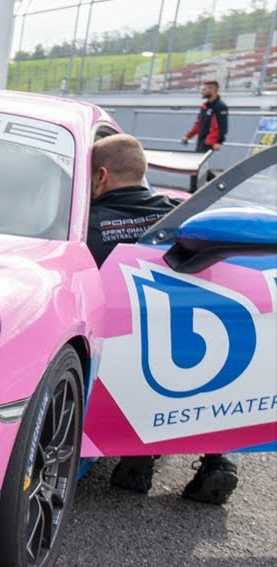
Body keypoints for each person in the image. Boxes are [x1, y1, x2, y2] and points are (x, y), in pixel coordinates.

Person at [87, 134, 239, 504]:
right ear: (143, 173)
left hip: (114, 359)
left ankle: (137, 452)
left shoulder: (85, 227)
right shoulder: (186, 223)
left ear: (101, 176)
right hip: (190, 357)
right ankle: (217, 457)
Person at [181, 80, 228, 153]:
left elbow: (222, 126)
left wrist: (219, 142)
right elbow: (199, 124)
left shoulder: (220, 107)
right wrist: (188, 136)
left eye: (204, 89)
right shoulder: (205, 106)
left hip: (210, 142)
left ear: (212, 89)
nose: (202, 92)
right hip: (201, 140)